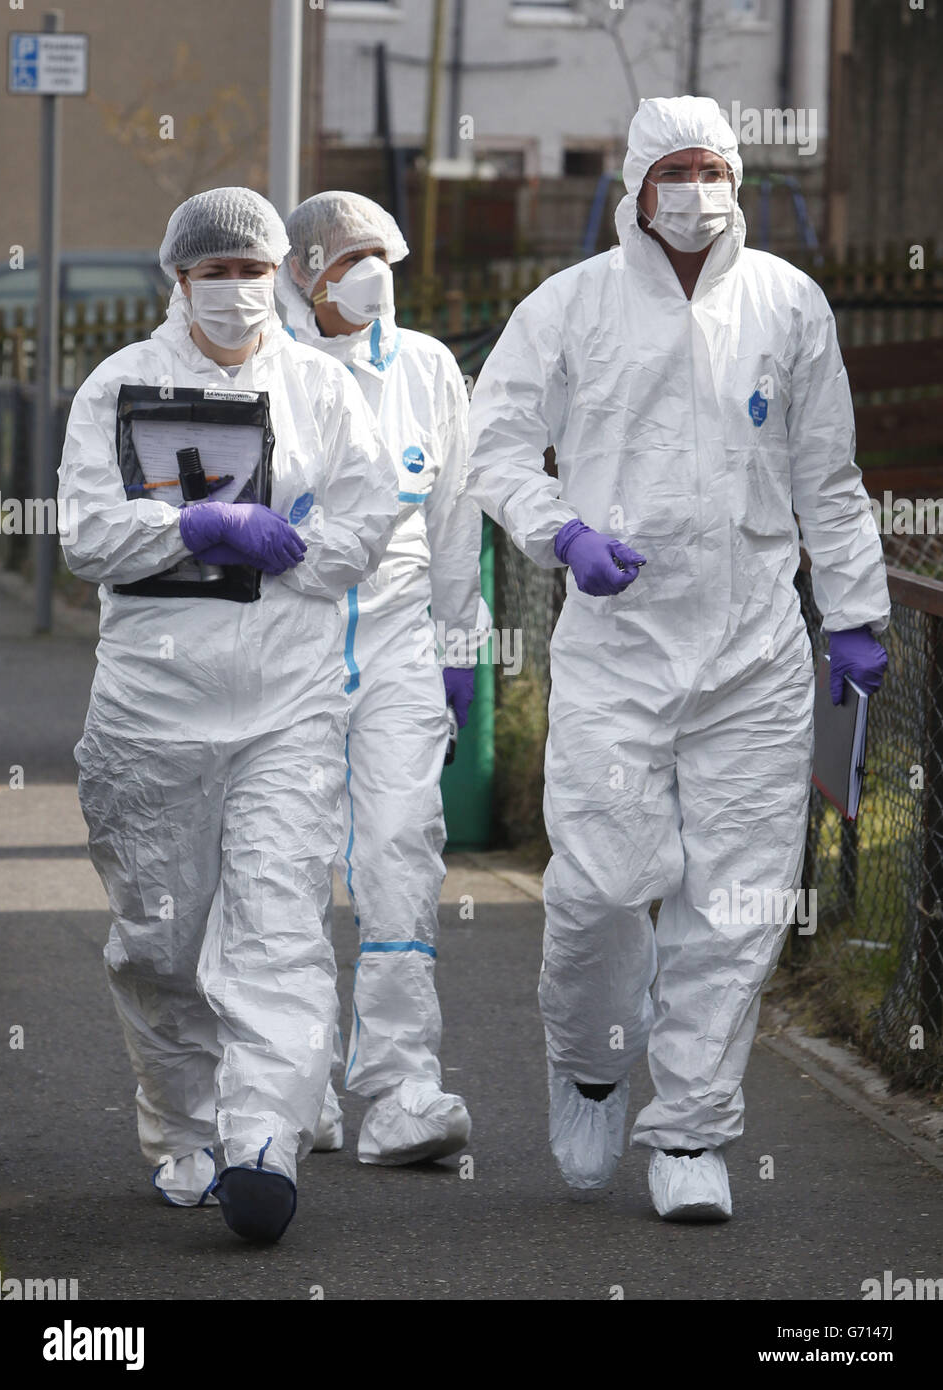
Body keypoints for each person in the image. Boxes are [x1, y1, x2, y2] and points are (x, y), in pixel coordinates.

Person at [466, 97, 890, 1221]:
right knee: (602, 886)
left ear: (737, 178)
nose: (697, 188)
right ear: (638, 184)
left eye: (714, 167)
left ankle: (692, 1131)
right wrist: (560, 531)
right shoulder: (571, 307)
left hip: (752, 647)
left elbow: (827, 473)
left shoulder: (786, 304)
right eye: (676, 168)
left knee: (739, 898)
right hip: (617, 646)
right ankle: (595, 1058)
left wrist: (852, 610)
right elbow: (494, 442)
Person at [57, 187, 398, 1243]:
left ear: (280, 277)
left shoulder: (323, 388)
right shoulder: (119, 387)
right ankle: (182, 1131)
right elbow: (85, 535)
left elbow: (369, 513)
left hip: (284, 710)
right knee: (160, 944)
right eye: (216, 273)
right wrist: (197, 525)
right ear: (179, 280)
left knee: (280, 924)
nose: (237, 291)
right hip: (152, 715)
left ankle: (261, 1139)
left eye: (253, 272)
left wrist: (296, 561)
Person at [277, 191, 488, 1164]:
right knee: (281, 863)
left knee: (400, 848)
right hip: (293, 648)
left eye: (383, 255)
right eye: (351, 258)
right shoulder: (268, 376)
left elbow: (454, 518)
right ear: (307, 275)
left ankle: (404, 1087)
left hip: (401, 642)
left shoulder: (427, 368)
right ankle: (292, 1084)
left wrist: (460, 649)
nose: (372, 273)